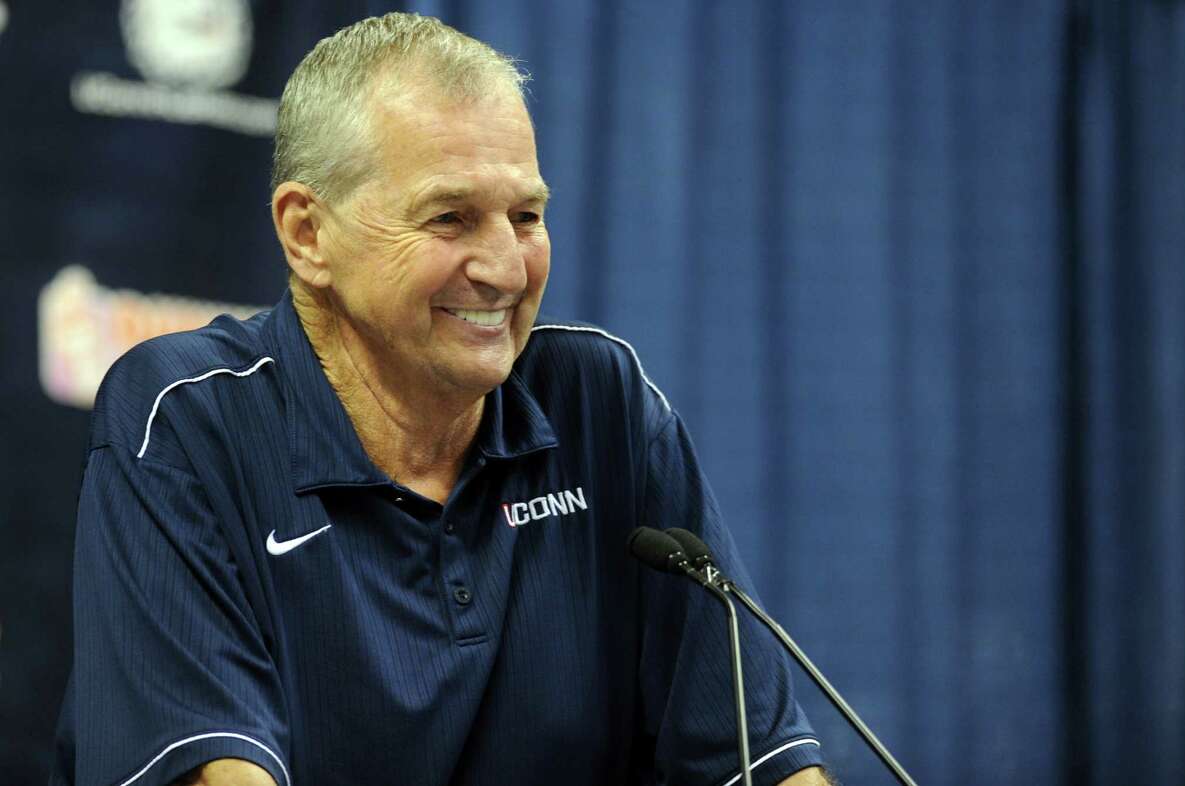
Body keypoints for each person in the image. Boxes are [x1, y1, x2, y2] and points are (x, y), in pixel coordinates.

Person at [52, 13, 831, 786]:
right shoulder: (184, 420)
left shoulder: (602, 405)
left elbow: (762, 764)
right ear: (307, 235)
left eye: (526, 216)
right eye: (450, 218)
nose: (506, 269)